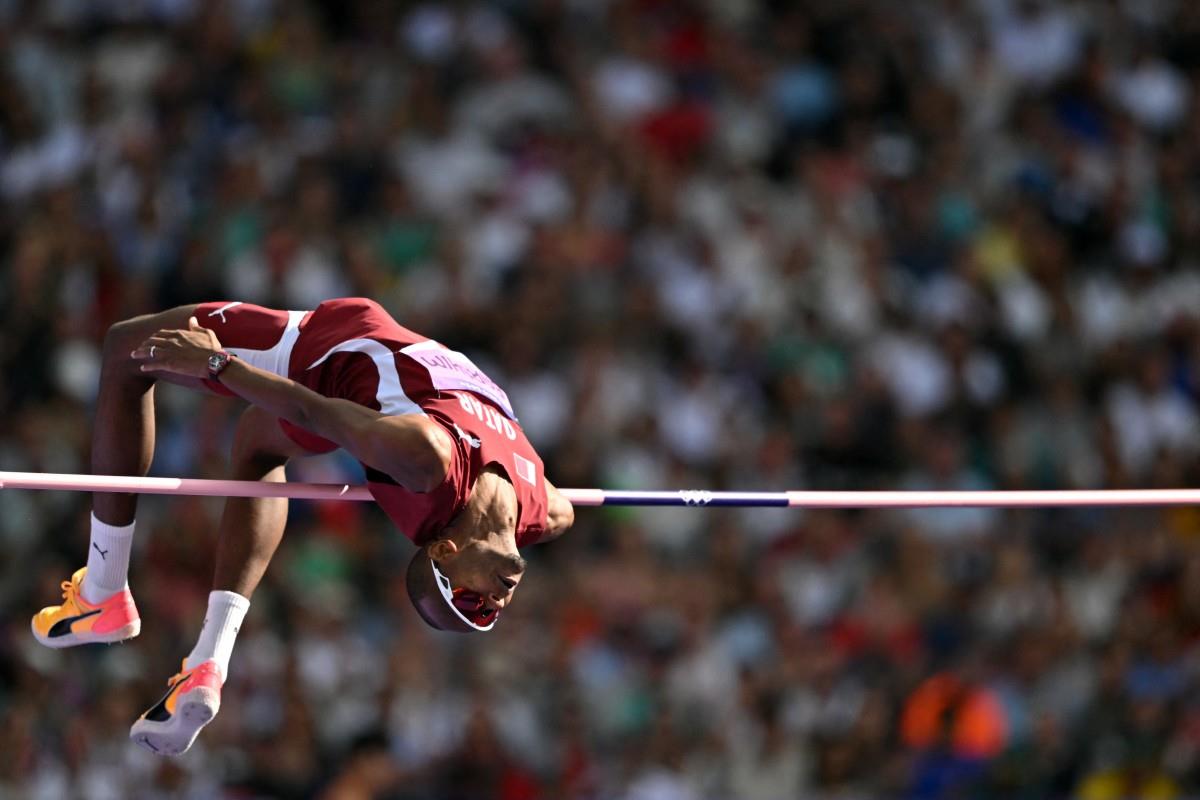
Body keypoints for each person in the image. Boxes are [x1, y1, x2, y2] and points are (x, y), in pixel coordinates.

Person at [29, 298, 576, 756]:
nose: (495, 604)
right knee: (257, 443)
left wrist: (215, 364)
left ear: (447, 550)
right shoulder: (547, 512)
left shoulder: (427, 458)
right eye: (483, 611)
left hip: (328, 355)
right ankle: (207, 663)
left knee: (127, 349)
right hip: (370, 400)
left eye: (471, 600)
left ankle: (103, 589)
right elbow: (558, 508)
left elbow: (313, 411)